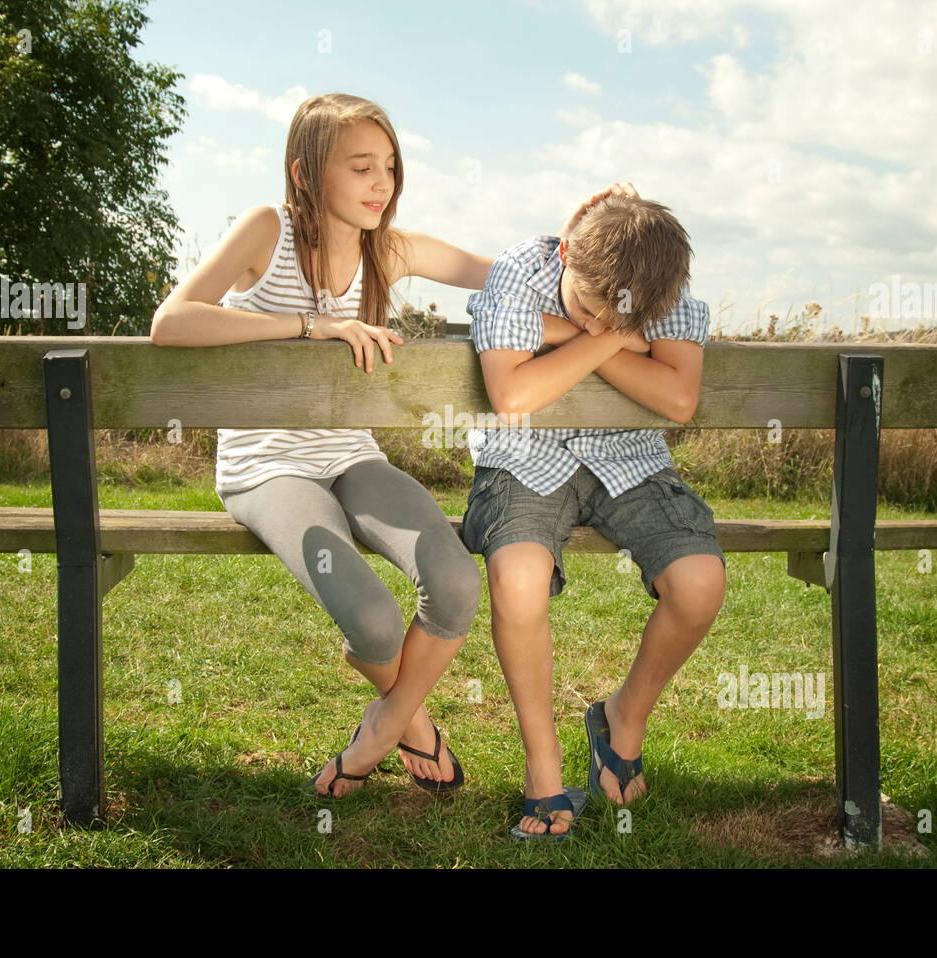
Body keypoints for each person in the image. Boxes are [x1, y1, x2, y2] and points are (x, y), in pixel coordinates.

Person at [151, 93, 492, 797]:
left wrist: (580, 236)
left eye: (390, 168)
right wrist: (310, 327)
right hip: (266, 467)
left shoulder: (385, 250)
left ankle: (385, 724)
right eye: (361, 167)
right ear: (306, 173)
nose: (381, 185)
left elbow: (500, 272)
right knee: (373, 620)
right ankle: (419, 729)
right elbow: (172, 322)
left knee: (457, 582)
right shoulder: (265, 230)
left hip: (351, 456)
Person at [460, 186, 728, 839]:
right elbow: (513, 393)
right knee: (518, 581)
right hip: (524, 458)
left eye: (620, 318)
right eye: (583, 304)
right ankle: (543, 764)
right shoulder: (525, 266)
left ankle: (621, 718)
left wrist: (573, 335)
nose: (598, 318)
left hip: (628, 459)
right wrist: (618, 340)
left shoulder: (657, 276)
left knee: (699, 583)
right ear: (566, 250)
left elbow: (678, 397)